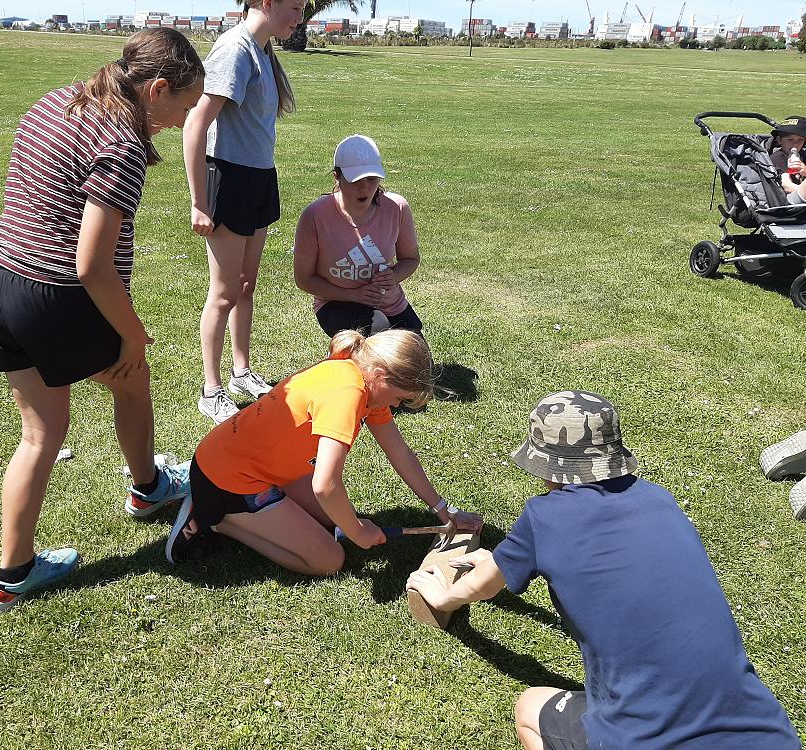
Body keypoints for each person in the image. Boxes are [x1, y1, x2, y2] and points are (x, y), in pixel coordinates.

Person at [407, 391, 800, 750]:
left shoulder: (546, 516)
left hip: (642, 739)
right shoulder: (659, 500)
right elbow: (501, 567)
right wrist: (496, 560)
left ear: (546, 465)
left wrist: (444, 595)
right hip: (765, 735)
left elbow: (484, 586)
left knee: (530, 707)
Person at [0, 29, 205, 614]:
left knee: (40, 435)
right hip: (54, 296)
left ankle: (13, 575)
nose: (182, 122)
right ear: (156, 90)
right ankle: (149, 490)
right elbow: (92, 266)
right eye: (183, 106)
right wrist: (132, 332)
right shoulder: (123, 145)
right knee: (133, 376)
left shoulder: (60, 100)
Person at [164, 329, 482, 573]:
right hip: (227, 478)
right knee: (328, 560)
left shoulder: (363, 378)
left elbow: (399, 452)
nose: (398, 405)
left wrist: (444, 510)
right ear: (382, 376)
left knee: (331, 521)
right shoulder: (348, 393)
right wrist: (356, 531)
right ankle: (216, 519)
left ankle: (252, 508)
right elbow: (325, 485)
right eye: (400, 397)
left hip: (250, 461)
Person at [183, 0, 304, 424]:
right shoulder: (235, 48)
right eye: (294, 7)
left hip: (258, 177)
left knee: (246, 285)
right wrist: (199, 201)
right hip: (229, 178)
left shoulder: (264, 50)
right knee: (223, 293)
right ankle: (210, 388)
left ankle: (240, 372)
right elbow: (196, 124)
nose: (299, 17)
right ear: (266, 3)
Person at [294, 134, 424, 338]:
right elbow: (304, 279)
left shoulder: (397, 207)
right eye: (355, 180)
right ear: (337, 176)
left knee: (417, 364)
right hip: (337, 303)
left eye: (371, 179)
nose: (364, 187)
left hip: (390, 303)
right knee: (378, 334)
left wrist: (393, 276)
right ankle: (347, 357)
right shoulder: (315, 215)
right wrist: (352, 295)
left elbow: (411, 259)